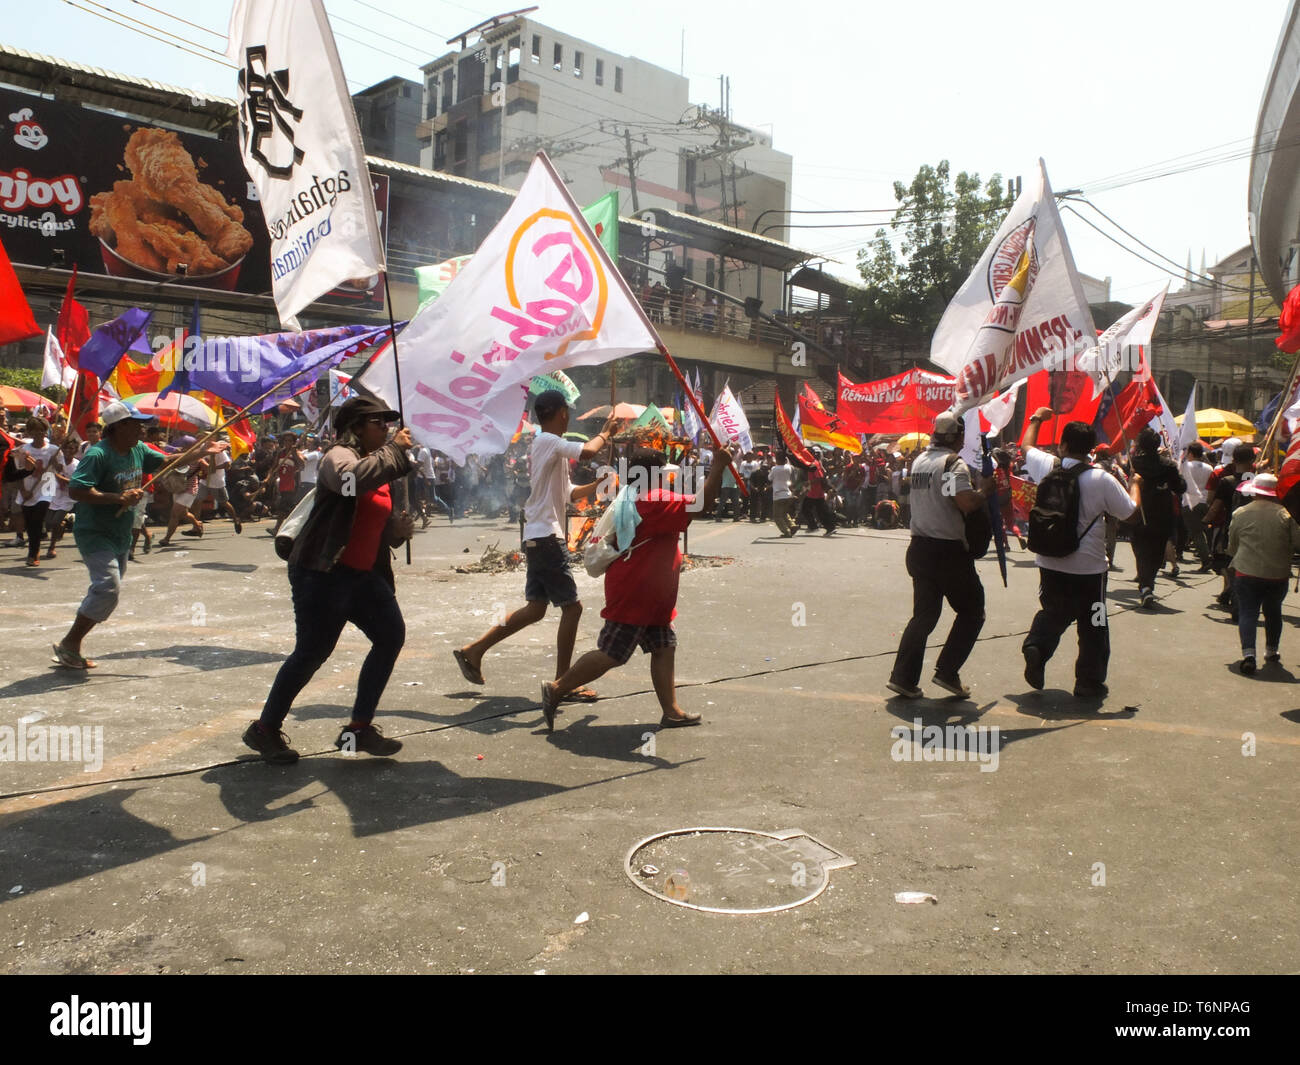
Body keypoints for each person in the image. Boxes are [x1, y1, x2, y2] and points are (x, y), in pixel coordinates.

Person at [243, 396, 416, 764]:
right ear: (355, 428)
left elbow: (373, 524)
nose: (385, 429)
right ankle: (264, 730)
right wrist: (393, 452)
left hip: (363, 574)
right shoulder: (338, 457)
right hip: (324, 573)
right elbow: (349, 483)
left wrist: (397, 530)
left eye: (387, 424)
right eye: (377, 423)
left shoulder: (383, 469)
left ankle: (358, 729)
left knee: (390, 636)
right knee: (312, 653)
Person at [540, 442, 736, 730]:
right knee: (612, 653)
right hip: (638, 593)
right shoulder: (654, 498)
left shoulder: (635, 495)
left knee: (664, 647)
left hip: (649, 593)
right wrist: (718, 466)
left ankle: (670, 710)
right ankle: (557, 688)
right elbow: (701, 506)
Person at [454, 391, 619, 697]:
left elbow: (569, 493)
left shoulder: (547, 448)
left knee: (536, 609)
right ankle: (563, 682)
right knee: (573, 608)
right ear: (562, 414)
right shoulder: (547, 441)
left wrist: (597, 485)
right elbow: (587, 451)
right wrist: (605, 434)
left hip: (539, 536)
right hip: (545, 537)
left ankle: (474, 651)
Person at [53, 402, 203, 669]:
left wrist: (202, 451)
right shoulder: (97, 455)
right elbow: (77, 490)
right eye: (136, 424)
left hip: (120, 532)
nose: (142, 428)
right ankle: (69, 644)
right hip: (94, 531)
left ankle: (71, 644)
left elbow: (167, 461)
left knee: (107, 592)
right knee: (107, 587)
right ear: (119, 426)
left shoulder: (138, 449)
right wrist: (117, 497)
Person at [1020, 409, 1141, 699]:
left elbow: (1026, 447)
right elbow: (1130, 514)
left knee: (1053, 611)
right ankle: (1088, 681)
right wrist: (1136, 486)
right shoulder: (1102, 479)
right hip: (1089, 568)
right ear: (1090, 450)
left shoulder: (1048, 466)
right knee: (1094, 623)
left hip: (1049, 560)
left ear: (1062, 444)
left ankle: (1037, 645)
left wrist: (1037, 418)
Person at [887, 412, 989, 700]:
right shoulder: (953, 464)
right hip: (947, 551)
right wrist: (984, 492)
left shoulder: (920, 461)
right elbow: (966, 502)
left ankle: (903, 678)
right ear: (957, 437)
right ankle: (947, 671)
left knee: (924, 616)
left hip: (919, 548)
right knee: (972, 611)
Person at [1226, 473, 1300, 674]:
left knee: (1248, 612)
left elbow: (1232, 545)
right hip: (1277, 574)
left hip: (1246, 572)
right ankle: (1271, 650)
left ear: (1254, 492)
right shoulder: (1286, 515)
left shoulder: (1240, 513)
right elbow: (1297, 543)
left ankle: (1249, 654)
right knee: (1273, 612)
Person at [1128, 428, 1185, 608]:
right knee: (1156, 552)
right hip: (1162, 514)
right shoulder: (1168, 466)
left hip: (1139, 512)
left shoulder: (1133, 463)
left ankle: (1145, 585)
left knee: (1140, 549)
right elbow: (1180, 487)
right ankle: (1147, 584)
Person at [1204, 444, 1257, 615]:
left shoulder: (1227, 482)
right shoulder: (1258, 482)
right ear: (1253, 460)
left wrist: (1204, 521)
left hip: (1232, 528)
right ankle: (1240, 597)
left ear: (1233, 460)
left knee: (1231, 564)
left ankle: (1235, 597)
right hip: (1255, 530)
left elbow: (1215, 507)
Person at [14, 416, 62, 567]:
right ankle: (34, 548)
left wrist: (55, 463)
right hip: (28, 489)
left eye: (42, 431)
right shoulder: (24, 450)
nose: (39, 434)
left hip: (46, 489)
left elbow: (60, 469)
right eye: (35, 431)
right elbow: (18, 473)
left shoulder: (54, 450)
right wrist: (23, 491)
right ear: (29, 432)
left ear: (45, 432)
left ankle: (33, 554)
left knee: (38, 518)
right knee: (30, 523)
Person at [194, 441, 243, 534]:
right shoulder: (203, 446)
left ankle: (235, 519)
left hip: (217, 482)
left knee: (224, 503)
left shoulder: (220, 451)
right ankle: (196, 527)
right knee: (198, 501)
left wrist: (215, 467)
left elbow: (228, 465)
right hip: (205, 480)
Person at [44, 437, 79, 560]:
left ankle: (51, 547)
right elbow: (48, 473)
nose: (68, 450)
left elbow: (75, 482)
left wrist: (60, 477)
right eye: (66, 448)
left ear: (75, 450)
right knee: (48, 523)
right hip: (54, 494)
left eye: (71, 448)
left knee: (54, 522)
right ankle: (62, 524)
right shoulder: (57, 461)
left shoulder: (77, 465)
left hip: (67, 497)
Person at [1180, 442, 1213, 571]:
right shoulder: (1209, 468)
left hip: (1190, 502)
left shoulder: (1186, 466)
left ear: (1191, 453)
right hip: (1205, 501)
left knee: (1196, 532)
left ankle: (1206, 559)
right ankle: (1210, 553)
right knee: (1205, 530)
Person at [770, 454, 797, 536]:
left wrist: (773, 468)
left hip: (778, 495)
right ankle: (792, 525)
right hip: (787, 494)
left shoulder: (774, 468)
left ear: (777, 460)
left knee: (777, 516)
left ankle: (786, 531)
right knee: (784, 513)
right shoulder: (789, 467)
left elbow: (769, 478)